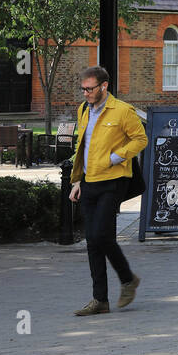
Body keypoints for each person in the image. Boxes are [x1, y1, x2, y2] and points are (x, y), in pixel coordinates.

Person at [68, 65, 148, 315]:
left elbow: (140, 139)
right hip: (89, 181)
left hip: (114, 181)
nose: (85, 94)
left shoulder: (123, 111)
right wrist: (77, 180)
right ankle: (100, 300)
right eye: (83, 89)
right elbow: (83, 147)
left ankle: (127, 279)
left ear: (104, 86)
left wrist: (116, 156)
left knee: (100, 236)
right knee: (92, 241)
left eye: (90, 89)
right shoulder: (83, 110)